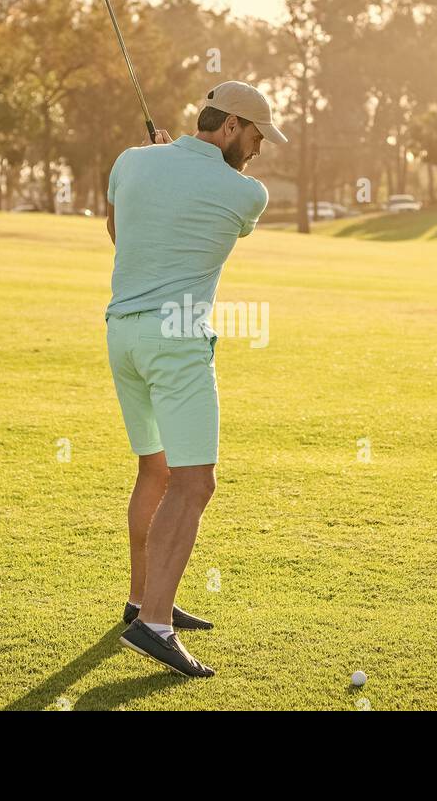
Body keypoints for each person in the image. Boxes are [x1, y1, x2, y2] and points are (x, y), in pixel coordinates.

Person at [104, 81, 287, 677]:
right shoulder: (246, 193)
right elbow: (209, 215)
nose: (260, 149)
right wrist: (175, 163)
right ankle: (154, 626)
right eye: (257, 135)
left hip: (122, 336)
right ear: (232, 125)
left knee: (154, 470)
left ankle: (141, 601)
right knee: (195, 483)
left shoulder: (132, 162)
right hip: (176, 341)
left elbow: (120, 231)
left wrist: (158, 158)